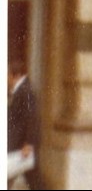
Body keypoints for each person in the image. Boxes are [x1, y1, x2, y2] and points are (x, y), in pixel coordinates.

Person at [7, 60, 42, 190]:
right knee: (33, 179)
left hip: (23, 147)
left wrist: (29, 143)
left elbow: (32, 118)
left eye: (6, 74)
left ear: (15, 75)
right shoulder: (19, 90)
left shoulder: (25, 91)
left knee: (34, 179)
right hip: (19, 145)